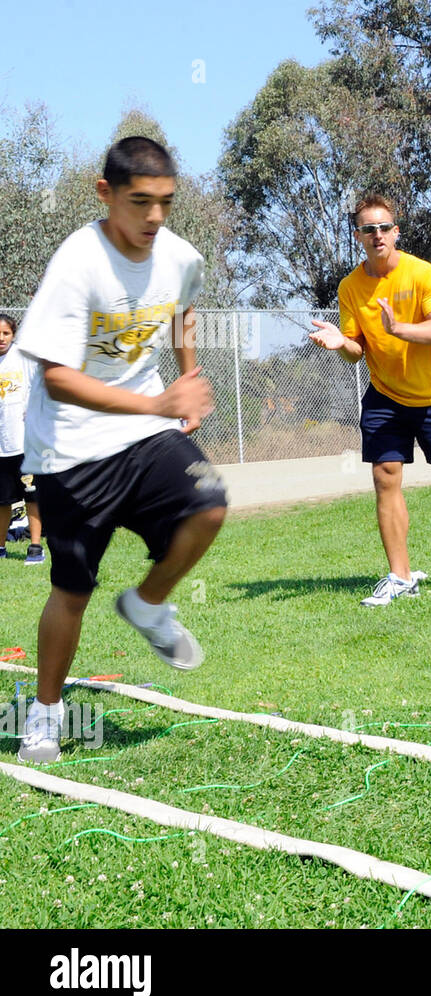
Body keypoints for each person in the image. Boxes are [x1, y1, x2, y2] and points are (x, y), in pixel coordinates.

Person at [15, 136, 227, 762]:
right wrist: (158, 405)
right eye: (141, 203)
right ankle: (47, 712)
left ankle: (148, 604)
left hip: (143, 435)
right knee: (71, 590)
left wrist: (185, 379)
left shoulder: (179, 256)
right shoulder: (77, 264)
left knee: (208, 504)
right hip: (70, 450)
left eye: (165, 203)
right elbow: (57, 377)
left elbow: (184, 310)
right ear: (105, 193)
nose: (155, 218)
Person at [309, 195, 431, 607]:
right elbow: (356, 350)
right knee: (385, 477)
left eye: (383, 227)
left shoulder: (423, 274)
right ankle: (400, 576)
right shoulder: (350, 287)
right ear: (357, 236)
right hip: (385, 395)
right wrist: (341, 342)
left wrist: (399, 328)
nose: (376, 235)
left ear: (396, 232)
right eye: (367, 229)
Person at [0, 313, 45, 564]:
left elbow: (40, 383)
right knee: (2, 501)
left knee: (32, 496)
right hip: (1, 446)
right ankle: (0, 547)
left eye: (6, 333)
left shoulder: (21, 358)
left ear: (13, 335)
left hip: (24, 443)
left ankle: (36, 546)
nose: (1, 338)